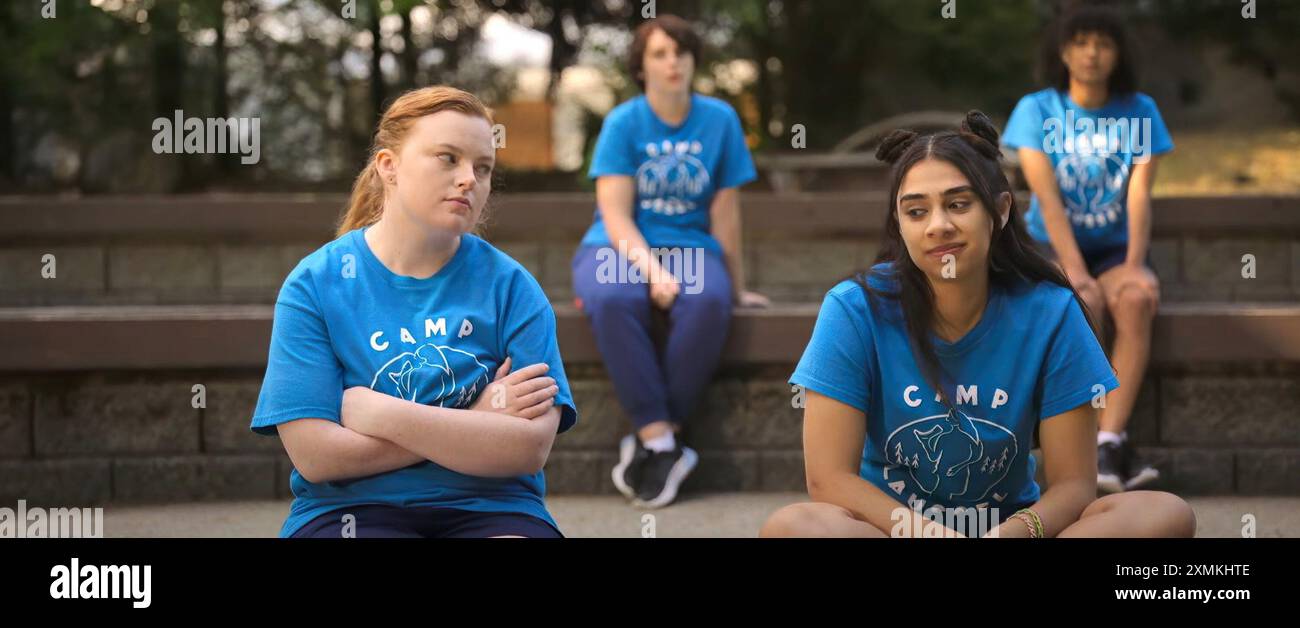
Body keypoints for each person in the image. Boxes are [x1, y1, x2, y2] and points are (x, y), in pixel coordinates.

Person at [760, 112, 1195, 538]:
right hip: (896, 533)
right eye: (916, 212)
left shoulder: (1051, 312)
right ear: (899, 224)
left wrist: (1016, 533)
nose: (939, 226)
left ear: (1000, 210)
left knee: (1163, 512)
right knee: (792, 527)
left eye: (958, 204)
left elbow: (1072, 485)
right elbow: (828, 479)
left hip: (1010, 531)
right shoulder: (853, 310)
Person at [250, 86, 578, 538]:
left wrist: (380, 414)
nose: (469, 179)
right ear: (389, 167)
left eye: (483, 168)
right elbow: (317, 456)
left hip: (493, 507)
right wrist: (476, 420)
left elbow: (528, 448)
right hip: (352, 511)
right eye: (448, 158)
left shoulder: (513, 288)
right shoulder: (315, 285)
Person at [571, 14, 768, 508]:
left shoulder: (720, 119)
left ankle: (653, 441)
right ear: (642, 67)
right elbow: (615, 217)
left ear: (693, 60)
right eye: (659, 53)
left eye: (679, 52)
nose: (672, 62)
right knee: (615, 296)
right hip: (616, 247)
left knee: (708, 303)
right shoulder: (623, 122)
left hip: (693, 251)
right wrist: (653, 270)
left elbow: (726, 215)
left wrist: (736, 286)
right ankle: (663, 440)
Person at [1002, 5, 1173, 493]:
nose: (1092, 53)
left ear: (1118, 53)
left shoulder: (1142, 110)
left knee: (1136, 299)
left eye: (1103, 43)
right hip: (1053, 246)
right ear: (1064, 51)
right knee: (1083, 301)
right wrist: (1075, 271)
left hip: (1118, 249)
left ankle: (1110, 442)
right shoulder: (1037, 109)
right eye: (1081, 43)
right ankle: (1079, 443)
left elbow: (1139, 195)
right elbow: (1047, 200)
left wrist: (1135, 265)